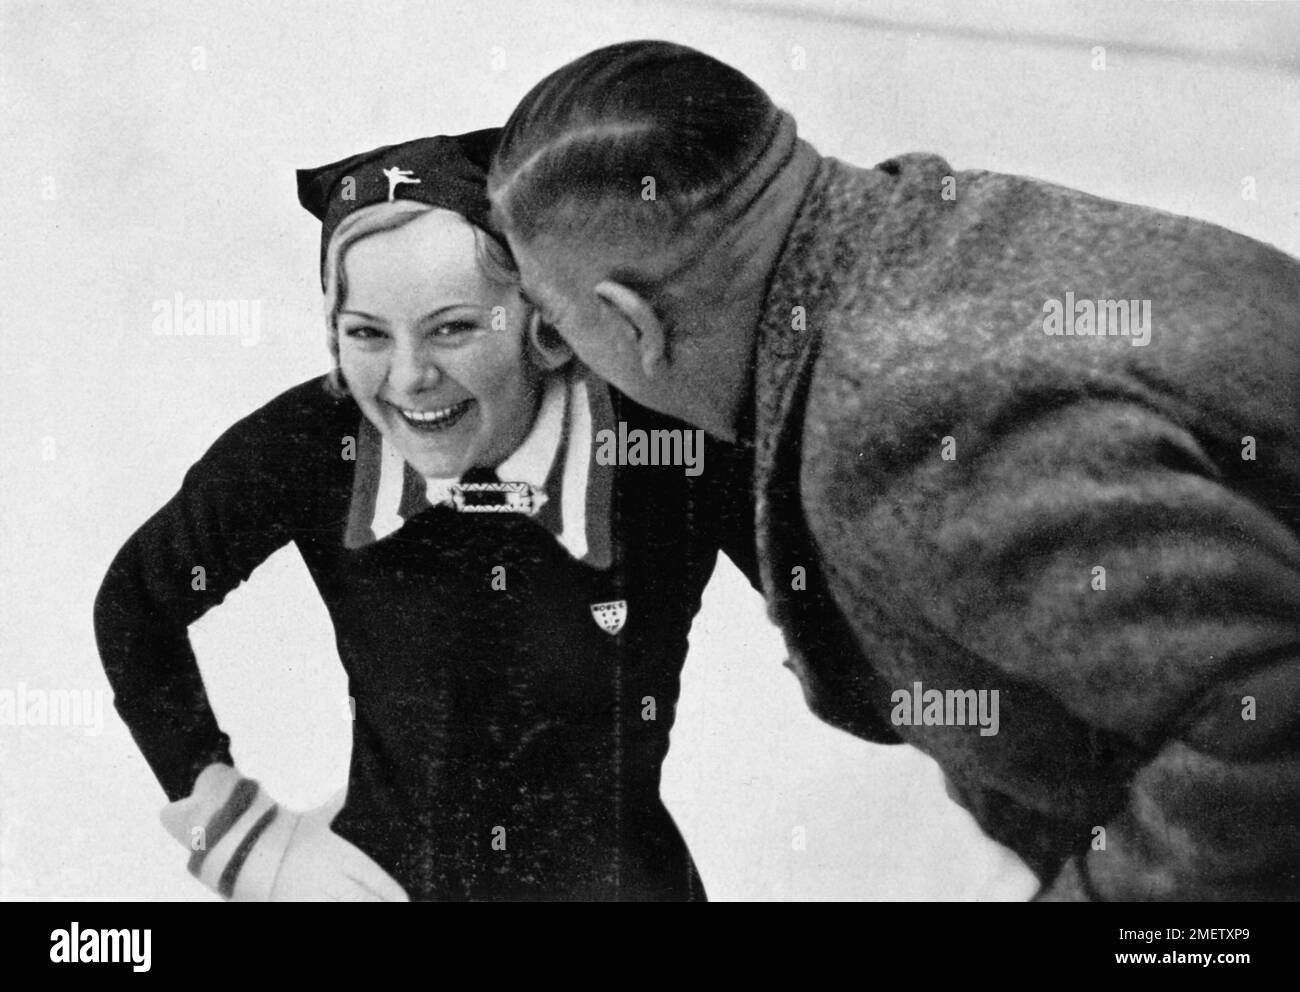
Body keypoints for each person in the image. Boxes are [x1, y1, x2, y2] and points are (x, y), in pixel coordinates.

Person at [485, 41, 1300, 901]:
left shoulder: (897, 426)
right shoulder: (946, 222)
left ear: (631, 323)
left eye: (554, 325)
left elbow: (1264, 717)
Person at [94, 130, 756, 901]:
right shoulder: (316, 442)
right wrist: (241, 845)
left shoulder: (671, 442)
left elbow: (837, 609)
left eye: (452, 328)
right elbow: (136, 604)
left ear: (542, 323)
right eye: (367, 333)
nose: (409, 377)